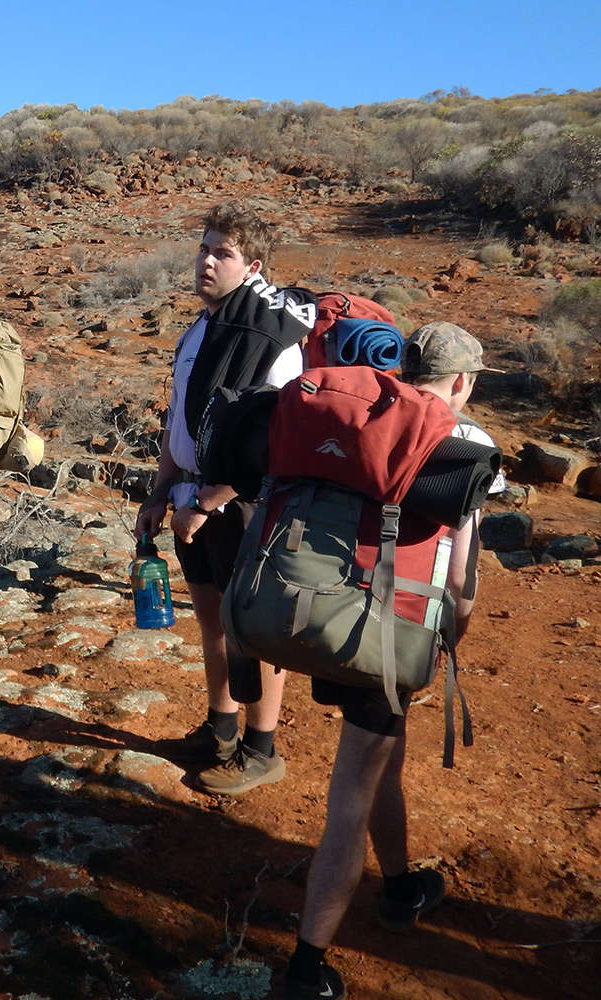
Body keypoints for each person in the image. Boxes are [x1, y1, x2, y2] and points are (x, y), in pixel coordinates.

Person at [281, 320, 502, 1000]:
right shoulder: (466, 444)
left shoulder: (367, 409)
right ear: (462, 381)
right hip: (392, 630)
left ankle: (402, 886)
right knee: (351, 789)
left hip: (330, 614)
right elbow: (460, 582)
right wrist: (446, 644)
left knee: (381, 758)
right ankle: (304, 968)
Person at [134, 202, 315, 795]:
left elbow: (276, 441)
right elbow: (178, 420)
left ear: (254, 265)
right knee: (212, 622)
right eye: (204, 248)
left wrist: (208, 500)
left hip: (242, 504)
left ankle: (262, 749)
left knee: (253, 628)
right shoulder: (200, 329)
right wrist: (161, 489)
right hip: (190, 494)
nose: (207, 261)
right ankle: (221, 730)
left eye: (224, 253)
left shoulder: (272, 338)